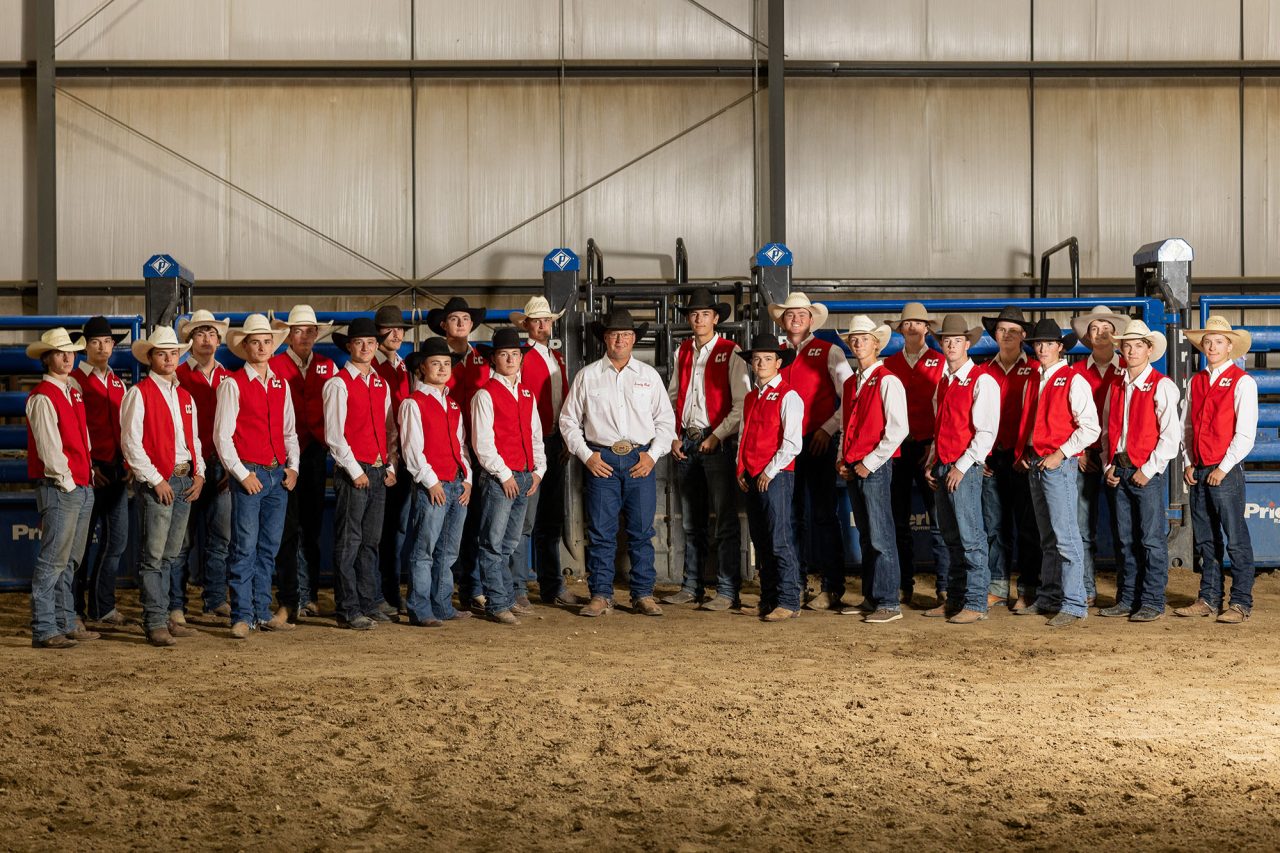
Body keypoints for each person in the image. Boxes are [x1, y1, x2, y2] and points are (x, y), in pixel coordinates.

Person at [560, 308, 677, 617]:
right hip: (603, 460)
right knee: (601, 531)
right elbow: (568, 422)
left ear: (634, 339)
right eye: (614, 334)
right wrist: (587, 455)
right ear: (605, 339)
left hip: (640, 458)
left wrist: (652, 456)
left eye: (626, 334)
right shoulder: (588, 376)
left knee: (641, 530)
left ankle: (642, 594)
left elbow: (666, 421)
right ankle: (600, 594)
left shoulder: (648, 376)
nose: (620, 340)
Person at [663, 287, 749, 611]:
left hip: (717, 440)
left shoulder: (731, 350)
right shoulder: (682, 351)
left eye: (704, 314)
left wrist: (718, 435)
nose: (698, 319)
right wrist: (672, 434)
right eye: (694, 314)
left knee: (724, 520)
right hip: (687, 438)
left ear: (715, 318)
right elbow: (673, 397)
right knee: (691, 521)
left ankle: (727, 591)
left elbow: (741, 404)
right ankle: (692, 586)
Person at [214, 314, 299, 639]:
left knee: (267, 548)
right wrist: (240, 473)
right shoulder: (233, 384)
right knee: (245, 547)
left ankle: (261, 611)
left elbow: (289, 432)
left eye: (266, 342)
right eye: (255, 342)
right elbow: (223, 437)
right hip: (250, 472)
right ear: (245, 347)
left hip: (277, 475)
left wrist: (293, 467)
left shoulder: (280, 384)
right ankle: (242, 614)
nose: (262, 347)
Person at [120, 327, 206, 647]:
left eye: (173, 353)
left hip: (184, 478)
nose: (169, 358)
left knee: (170, 553)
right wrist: (155, 479)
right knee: (154, 555)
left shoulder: (184, 396)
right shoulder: (139, 393)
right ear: (151, 358)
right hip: (160, 479)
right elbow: (130, 443)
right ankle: (155, 620)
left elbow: (193, 440)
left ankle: (168, 615)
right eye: (162, 353)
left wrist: (200, 474)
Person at [768, 292, 853, 610]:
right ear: (783, 320)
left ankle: (832, 586)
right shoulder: (774, 353)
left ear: (810, 319)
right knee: (790, 517)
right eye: (790, 314)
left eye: (801, 314)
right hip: (784, 446)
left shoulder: (830, 351)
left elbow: (850, 395)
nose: (795, 319)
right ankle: (795, 582)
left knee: (823, 515)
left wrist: (827, 429)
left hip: (817, 441)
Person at [1012, 319, 1099, 628]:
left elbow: (1090, 427)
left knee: (1065, 535)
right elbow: (1030, 420)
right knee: (1048, 535)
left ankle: (1074, 602)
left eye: (1048, 343)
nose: (1042, 348)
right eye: (1038, 343)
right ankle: (1049, 596)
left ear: (1060, 347)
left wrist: (1060, 453)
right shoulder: (1035, 379)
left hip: (1058, 463)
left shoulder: (1072, 380)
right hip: (1038, 460)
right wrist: (1025, 451)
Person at [1175, 316, 1258, 624]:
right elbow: (1187, 426)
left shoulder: (1242, 382)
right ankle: (1209, 598)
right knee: (1207, 540)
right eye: (1207, 342)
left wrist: (1223, 467)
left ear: (1230, 347)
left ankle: (1240, 602)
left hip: (1225, 470)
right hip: (1199, 469)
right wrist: (1188, 462)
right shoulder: (1196, 381)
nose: (1211, 346)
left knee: (1235, 538)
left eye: (1218, 342)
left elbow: (1245, 433)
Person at [1099, 319, 1181, 622]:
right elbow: (1110, 431)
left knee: (1150, 539)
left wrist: (1149, 468)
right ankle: (1127, 596)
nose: (1132, 351)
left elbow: (1170, 437)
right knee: (1124, 539)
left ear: (1149, 350)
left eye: (1138, 346)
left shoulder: (1162, 385)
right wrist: (1109, 463)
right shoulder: (1117, 385)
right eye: (1127, 345)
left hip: (1144, 472)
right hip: (1119, 470)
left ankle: (1152, 600)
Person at [323, 317, 399, 631]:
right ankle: (348, 608)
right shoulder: (338, 384)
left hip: (378, 470)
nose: (366, 347)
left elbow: (389, 429)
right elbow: (334, 435)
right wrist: (355, 470)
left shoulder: (381, 383)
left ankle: (369, 601)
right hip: (354, 472)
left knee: (371, 542)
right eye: (359, 342)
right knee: (349, 541)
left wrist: (390, 465)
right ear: (350, 346)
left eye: (370, 342)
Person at [25, 328, 99, 649]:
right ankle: (44, 626)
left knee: (68, 560)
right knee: (54, 559)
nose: (69, 358)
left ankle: (65, 620)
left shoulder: (72, 390)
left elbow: (81, 437)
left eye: (71, 352)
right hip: (61, 485)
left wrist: (86, 477)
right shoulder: (44, 395)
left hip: (78, 483)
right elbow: (50, 449)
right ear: (48, 358)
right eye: (61, 353)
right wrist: (70, 481)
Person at [923, 315, 999, 624]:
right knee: (951, 537)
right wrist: (932, 460)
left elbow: (985, 433)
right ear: (941, 344)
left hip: (962, 468)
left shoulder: (982, 380)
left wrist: (961, 466)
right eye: (946, 340)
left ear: (967, 344)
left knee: (970, 537)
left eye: (957, 340)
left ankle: (976, 602)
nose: (951, 345)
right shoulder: (945, 381)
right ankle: (955, 599)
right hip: (944, 464)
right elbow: (939, 427)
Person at [510, 295, 582, 607]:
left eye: (547, 320)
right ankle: (516, 587)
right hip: (532, 445)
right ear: (526, 325)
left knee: (551, 518)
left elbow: (564, 403)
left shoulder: (557, 359)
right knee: (524, 521)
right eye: (537, 321)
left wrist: (567, 438)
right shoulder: (522, 358)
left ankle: (551, 585)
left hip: (554, 442)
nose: (543, 326)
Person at [471, 328, 545, 625]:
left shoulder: (526, 393)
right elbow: (483, 443)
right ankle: (497, 602)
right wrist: (504, 474)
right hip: (500, 478)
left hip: (526, 475)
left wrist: (538, 470)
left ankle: (503, 596)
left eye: (515, 354)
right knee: (492, 541)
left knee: (509, 543)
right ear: (494, 359)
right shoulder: (485, 394)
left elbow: (535, 435)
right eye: (504, 354)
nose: (511, 359)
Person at [836, 317, 908, 623]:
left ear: (875, 343)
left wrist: (870, 462)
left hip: (873, 465)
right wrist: (842, 458)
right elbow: (845, 426)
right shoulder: (852, 383)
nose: (857, 343)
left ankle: (889, 601)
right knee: (867, 535)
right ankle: (873, 597)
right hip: (855, 464)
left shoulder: (889, 380)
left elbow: (898, 430)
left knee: (880, 535)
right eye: (854, 338)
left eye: (863, 338)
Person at [423, 297, 490, 610]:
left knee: (475, 522)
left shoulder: (483, 359)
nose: (462, 323)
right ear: (443, 324)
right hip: (442, 451)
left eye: (466, 318)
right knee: (438, 527)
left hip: (477, 450)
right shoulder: (435, 361)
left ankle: (472, 586)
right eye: (455, 318)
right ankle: (434, 593)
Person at [400, 338, 473, 627]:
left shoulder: (452, 404)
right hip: (434, 484)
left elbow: (462, 444)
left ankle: (442, 604)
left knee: (449, 550)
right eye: (436, 363)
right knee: (425, 549)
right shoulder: (413, 403)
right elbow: (412, 449)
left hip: (456, 483)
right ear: (422, 368)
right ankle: (419, 607)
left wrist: (466, 477)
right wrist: (430, 481)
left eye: (446, 363)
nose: (443, 368)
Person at [269, 305, 335, 623]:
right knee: (288, 527)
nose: (305, 336)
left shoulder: (327, 366)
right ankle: (290, 596)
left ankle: (309, 595)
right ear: (288, 335)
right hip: (285, 456)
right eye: (298, 331)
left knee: (311, 525)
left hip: (316, 453)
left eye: (310, 331)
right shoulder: (275, 366)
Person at [882, 302, 949, 605]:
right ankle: (902, 583)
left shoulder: (941, 361)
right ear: (900, 329)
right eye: (907, 323)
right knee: (898, 520)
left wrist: (935, 445)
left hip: (929, 446)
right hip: (897, 449)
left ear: (926, 328)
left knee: (938, 520)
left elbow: (945, 407)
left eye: (917, 323)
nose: (912, 327)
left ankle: (944, 585)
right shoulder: (889, 364)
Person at [736, 333, 804, 622]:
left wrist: (769, 470)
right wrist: (740, 466)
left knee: (779, 539)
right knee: (761, 540)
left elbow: (792, 443)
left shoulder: (789, 395)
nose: (761, 363)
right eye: (756, 359)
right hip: (753, 474)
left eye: (767, 358)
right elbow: (744, 435)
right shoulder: (752, 397)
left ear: (778, 363)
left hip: (775, 475)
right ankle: (768, 599)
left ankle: (789, 599)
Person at [68, 316, 129, 626]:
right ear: (85, 346)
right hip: (90, 471)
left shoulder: (117, 382)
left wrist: (127, 462)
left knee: (116, 540)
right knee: (79, 544)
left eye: (107, 342)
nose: (102, 347)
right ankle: (75, 609)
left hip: (116, 469)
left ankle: (102, 606)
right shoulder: (75, 380)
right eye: (95, 342)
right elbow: (74, 428)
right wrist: (89, 465)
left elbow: (124, 427)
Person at [978, 305, 1040, 609]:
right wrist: (981, 456)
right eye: (1001, 330)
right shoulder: (983, 371)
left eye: (1013, 331)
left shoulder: (1037, 369)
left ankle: (1028, 587)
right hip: (993, 458)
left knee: (1028, 525)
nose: (1006, 335)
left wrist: (1029, 451)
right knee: (994, 524)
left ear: (1023, 336)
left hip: (1024, 458)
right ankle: (998, 585)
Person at [174, 310, 233, 619]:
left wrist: (230, 465)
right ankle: (176, 604)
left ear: (219, 340)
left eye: (211, 333)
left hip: (220, 465)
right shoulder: (178, 375)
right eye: (200, 333)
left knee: (220, 537)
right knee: (182, 540)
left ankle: (214, 598)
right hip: (188, 465)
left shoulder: (229, 378)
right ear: (190, 340)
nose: (206, 339)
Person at [1069, 305, 1129, 606]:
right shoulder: (1075, 371)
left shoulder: (1127, 369)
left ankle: (1126, 593)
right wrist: (1078, 451)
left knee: (1124, 528)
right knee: (1081, 527)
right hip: (1084, 456)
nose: (1101, 333)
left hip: (1118, 458)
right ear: (1087, 337)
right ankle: (1086, 588)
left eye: (1106, 328)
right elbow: (1066, 415)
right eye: (1095, 328)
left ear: (1115, 334)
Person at [372, 304, 416, 614]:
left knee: (398, 528)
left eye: (399, 329)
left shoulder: (403, 366)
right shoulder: (371, 367)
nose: (396, 333)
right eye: (390, 329)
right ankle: (378, 592)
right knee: (378, 530)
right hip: (381, 457)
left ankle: (390, 590)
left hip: (403, 456)